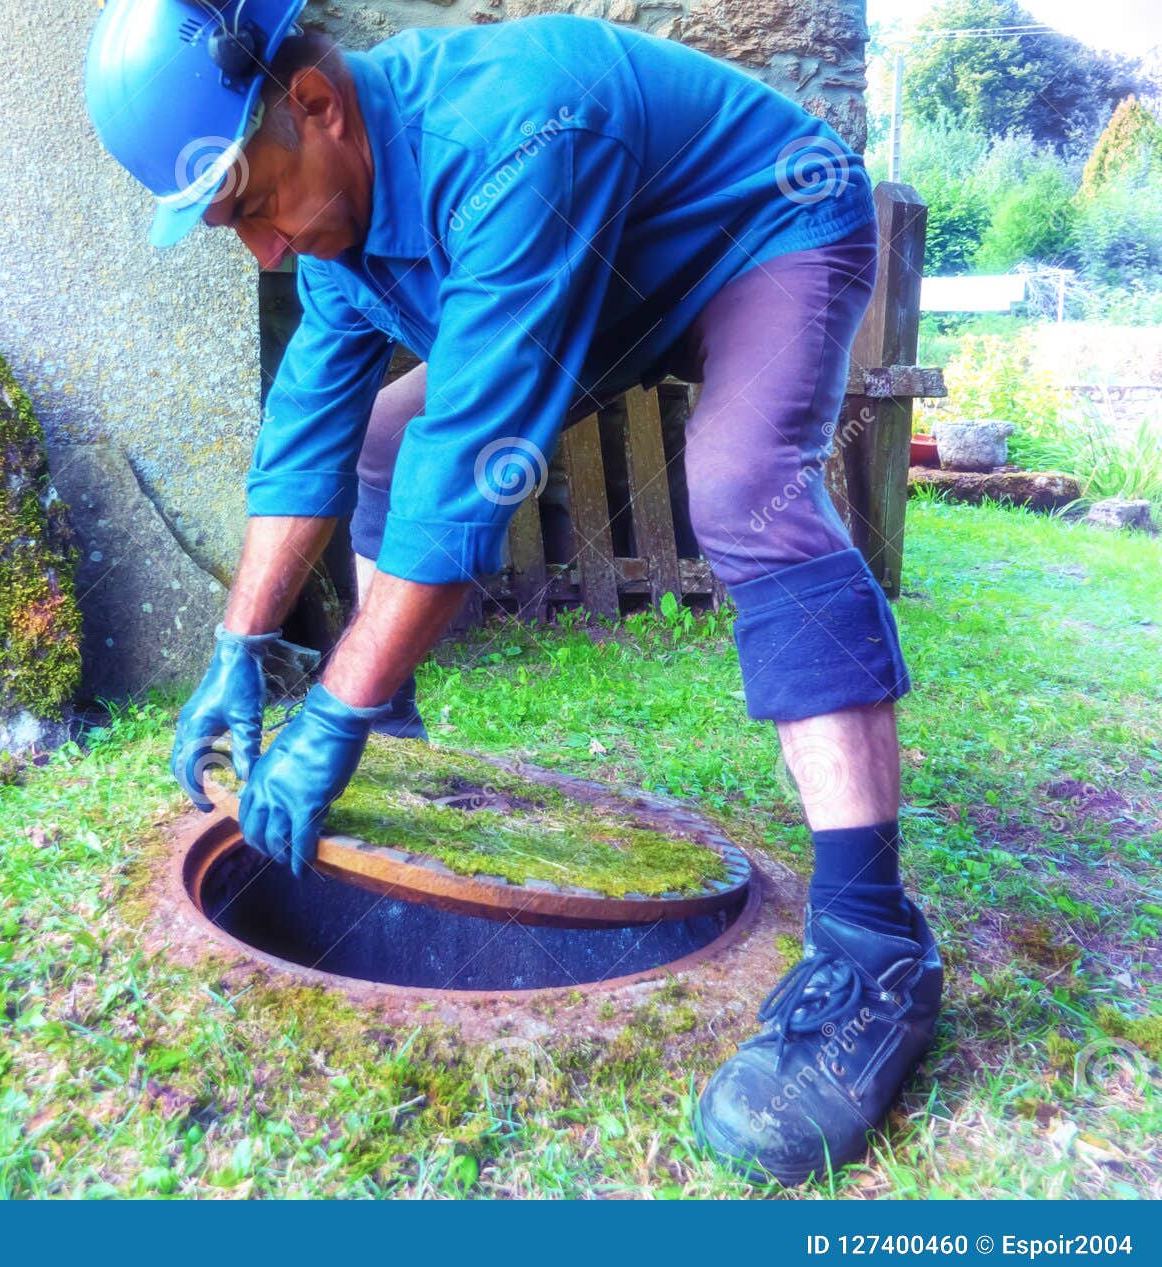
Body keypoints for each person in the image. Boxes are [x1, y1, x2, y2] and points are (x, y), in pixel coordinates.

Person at [84, 0, 942, 1186]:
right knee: (384, 433)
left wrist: (325, 707)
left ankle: (871, 945)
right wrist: (240, 641)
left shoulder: (518, 130)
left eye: (247, 202)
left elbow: (470, 473)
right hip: (621, 270)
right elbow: (308, 437)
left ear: (318, 107)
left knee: (742, 483)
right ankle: (390, 752)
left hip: (766, 227)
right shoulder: (345, 214)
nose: (263, 250)